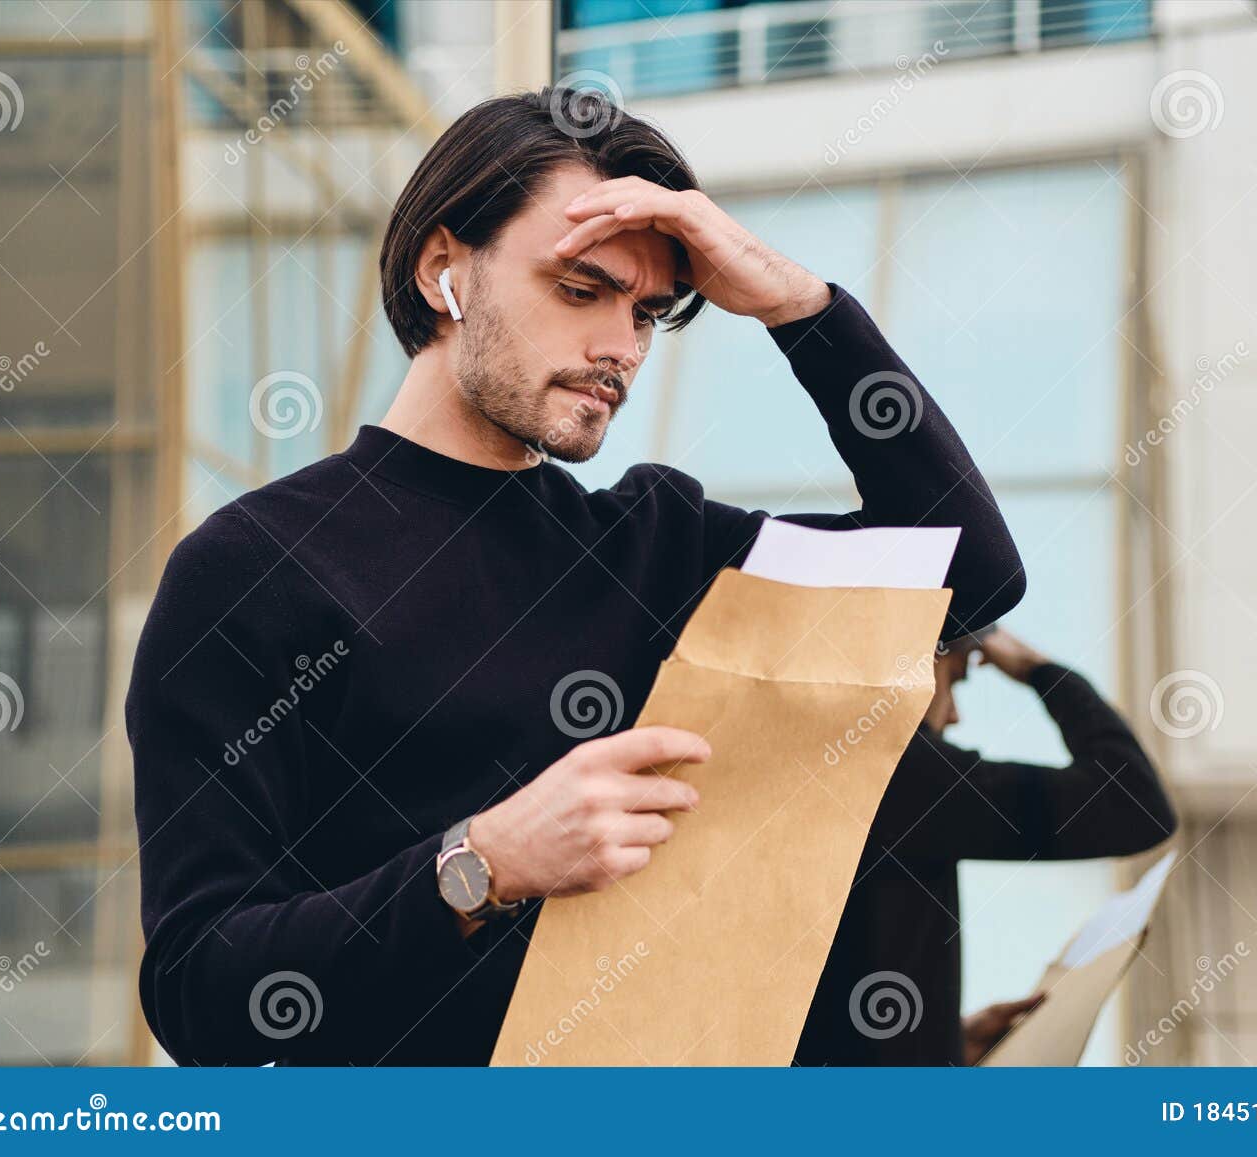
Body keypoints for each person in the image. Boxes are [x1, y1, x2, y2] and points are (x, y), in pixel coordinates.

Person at [126, 88, 1027, 1066]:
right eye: (580, 288)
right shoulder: (253, 565)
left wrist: (798, 307)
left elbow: (966, 570)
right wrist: (484, 862)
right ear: (445, 269)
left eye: (647, 312)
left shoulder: (658, 542)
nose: (622, 348)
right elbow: (198, 992)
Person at [794, 627, 1177, 1066]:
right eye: (955, 678)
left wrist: (945, 1039)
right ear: (915, 665)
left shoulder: (810, 760)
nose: (954, 715)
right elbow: (1132, 806)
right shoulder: (897, 773)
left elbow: (834, 982)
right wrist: (1037, 668)